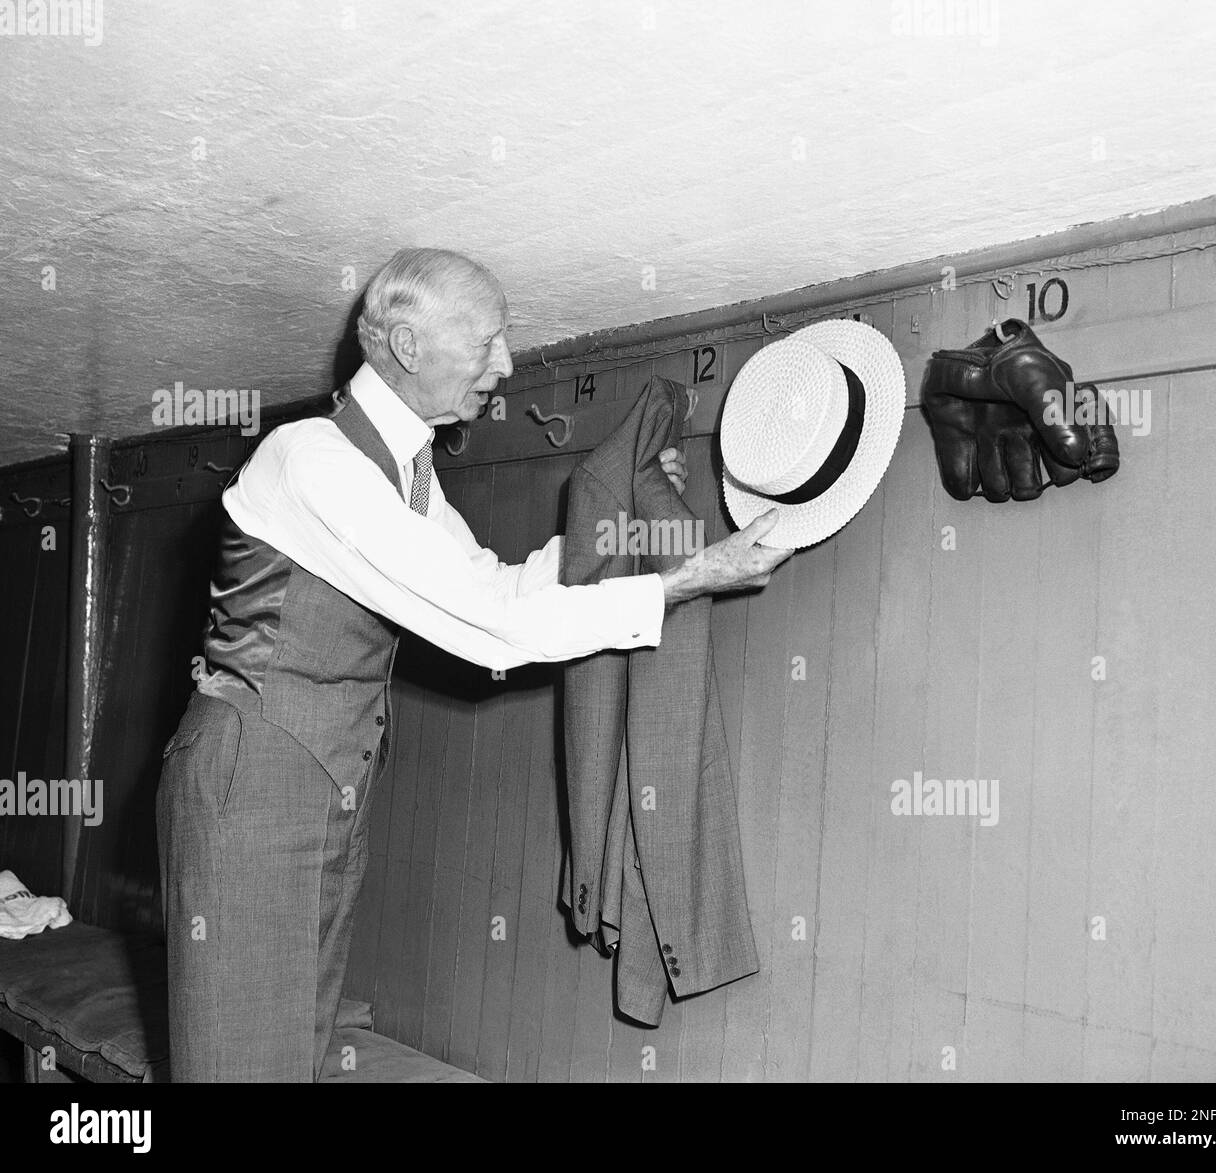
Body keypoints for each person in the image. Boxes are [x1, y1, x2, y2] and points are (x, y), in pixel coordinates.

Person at [155, 247, 791, 1082]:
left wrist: (620, 527)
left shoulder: (407, 475)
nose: (508, 364)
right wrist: (682, 582)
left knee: (287, 1055)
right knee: (240, 1060)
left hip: (318, 784)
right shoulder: (312, 460)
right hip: (256, 778)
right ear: (408, 347)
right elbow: (490, 628)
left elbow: (494, 582)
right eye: (487, 341)